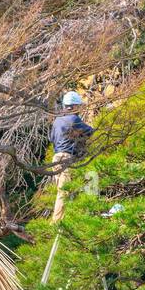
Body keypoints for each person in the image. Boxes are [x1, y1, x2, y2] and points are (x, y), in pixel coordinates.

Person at [49, 91, 93, 220]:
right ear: (73, 106)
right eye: (79, 106)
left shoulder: (57, 120)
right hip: (66, 159)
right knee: (64, 192)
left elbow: (52, 138)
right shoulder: (74, 119)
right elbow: (90, 132)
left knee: (64, 191)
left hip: (56, 158)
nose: (79, 109)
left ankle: (66, 220)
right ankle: (57, 223)